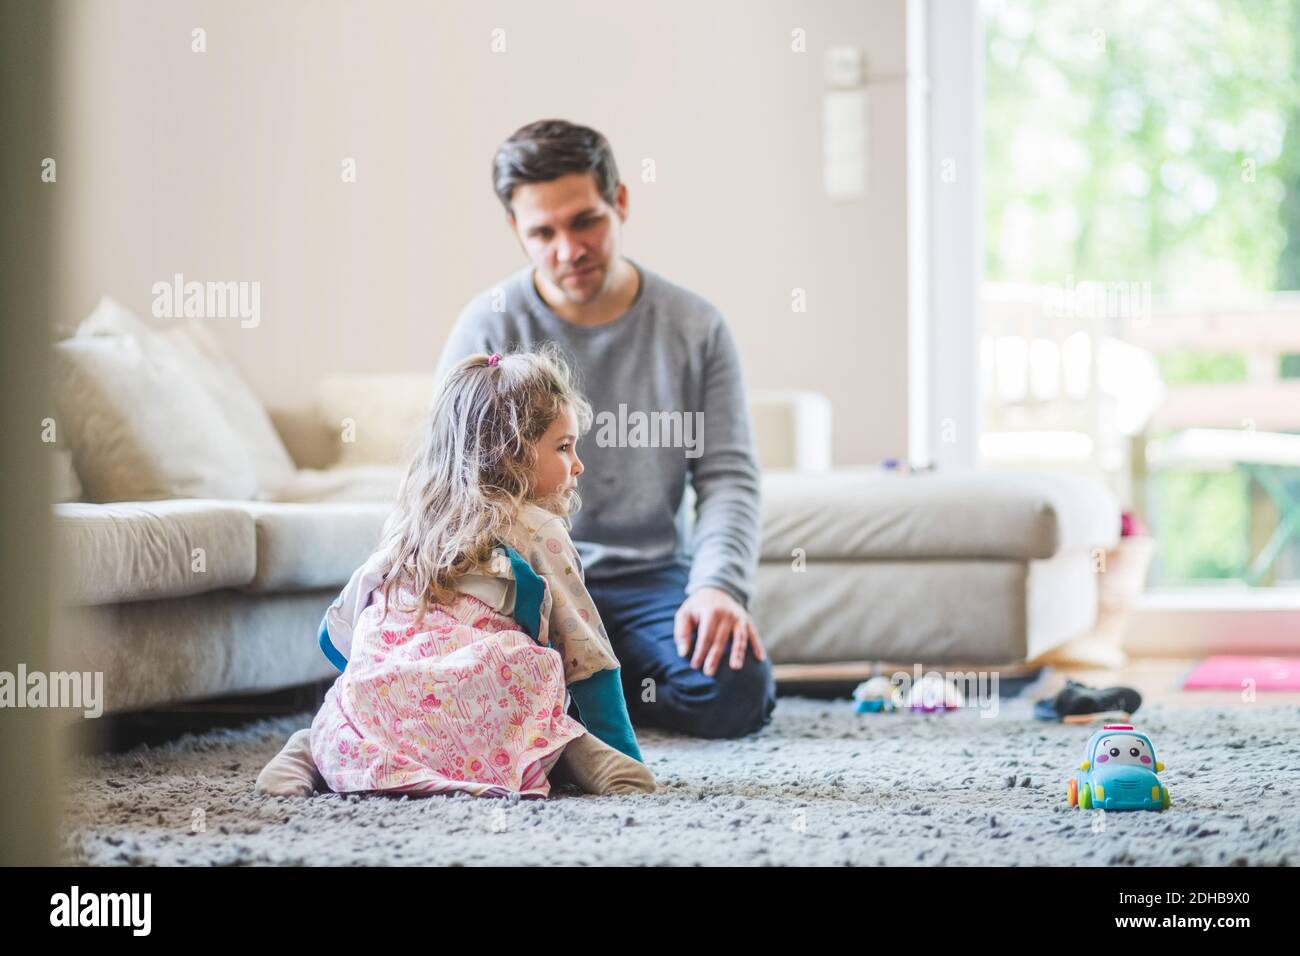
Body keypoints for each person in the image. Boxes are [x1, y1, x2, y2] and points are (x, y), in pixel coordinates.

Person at [434, 118, 776, 739]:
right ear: (517, 231)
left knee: (735, 692)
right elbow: (450, 485)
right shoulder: (486, 327)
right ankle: (588, 695)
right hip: (523, 581)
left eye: (585, 220)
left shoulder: (696, 326)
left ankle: (579, 700)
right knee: (462, 682)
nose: (569, 249)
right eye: (544, 232)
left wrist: (718, 587)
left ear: (620, 201)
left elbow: (728, 478)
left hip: (650, 585)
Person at [256, 348, 657, 798]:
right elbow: (587, 657)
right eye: (563, 447)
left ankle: (312, 748)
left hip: (394, 708)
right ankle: (574, 753)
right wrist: (625, 750)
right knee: (532, 692)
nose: (578, 465)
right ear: (511, 453)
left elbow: (334, 635)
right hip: (478, 702)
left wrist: (391, 681)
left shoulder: (412, 522)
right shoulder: (537, 528)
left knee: (349, 702)